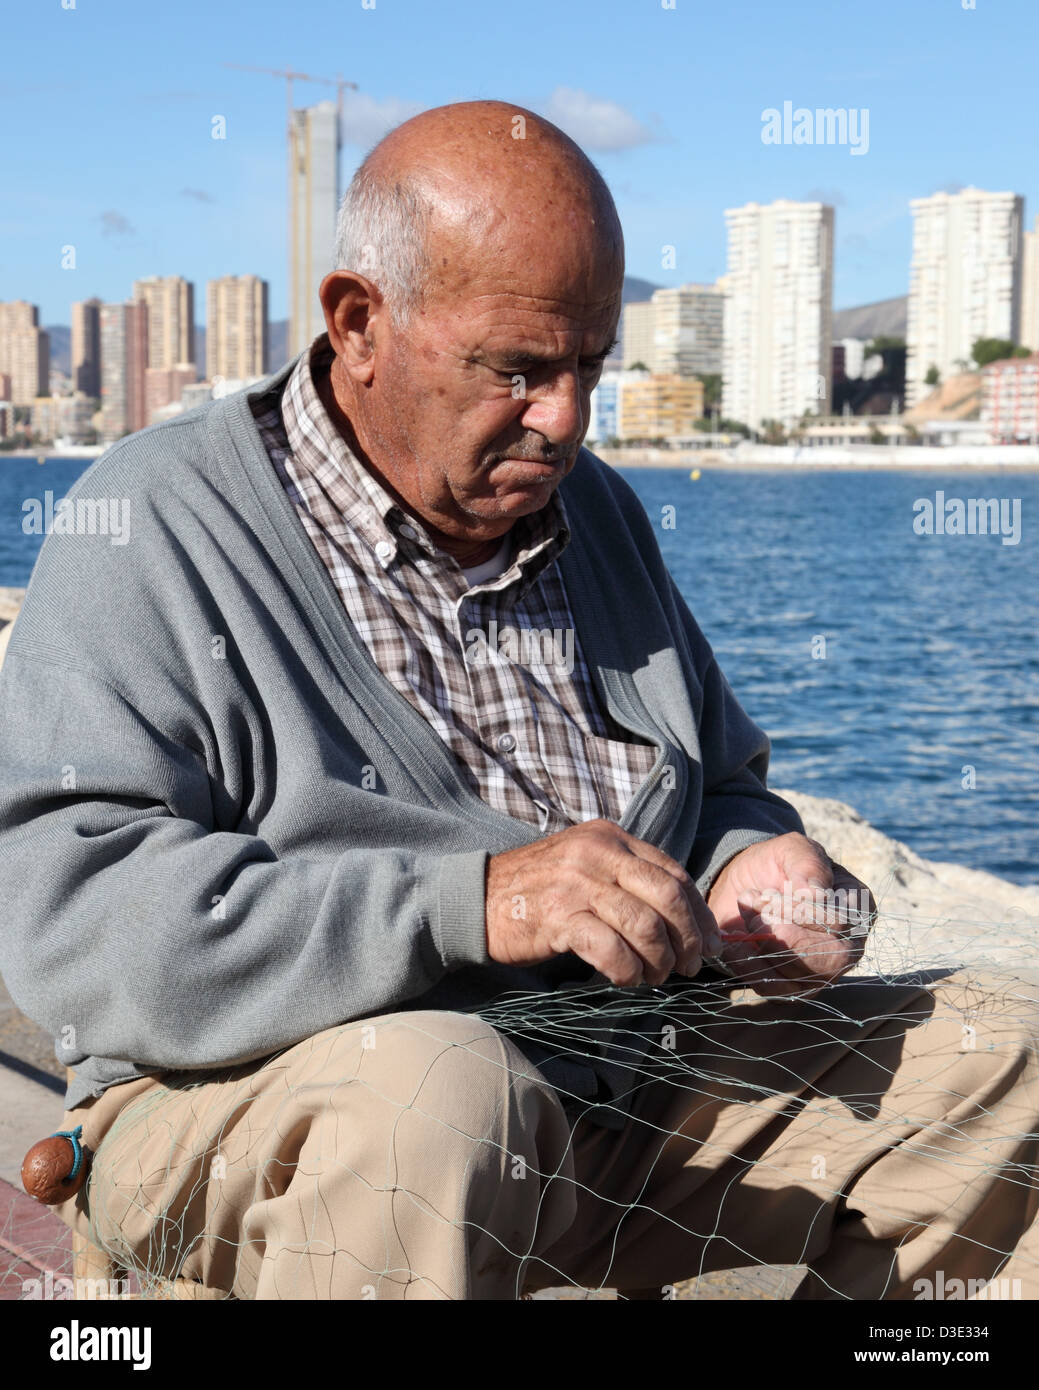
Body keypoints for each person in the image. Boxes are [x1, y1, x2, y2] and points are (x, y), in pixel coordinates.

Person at [1, 101, 1036, 1301]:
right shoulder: (154, 525)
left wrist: (757, 865)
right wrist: (468, 903)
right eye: (518, 371)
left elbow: (720, 787)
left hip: (620, 1092)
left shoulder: (593, 512)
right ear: (357, 324)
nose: (566, 422)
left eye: (589, 367)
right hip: (265, 1110)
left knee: (997, 1054)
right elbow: (79, 926)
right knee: (438, 1099)